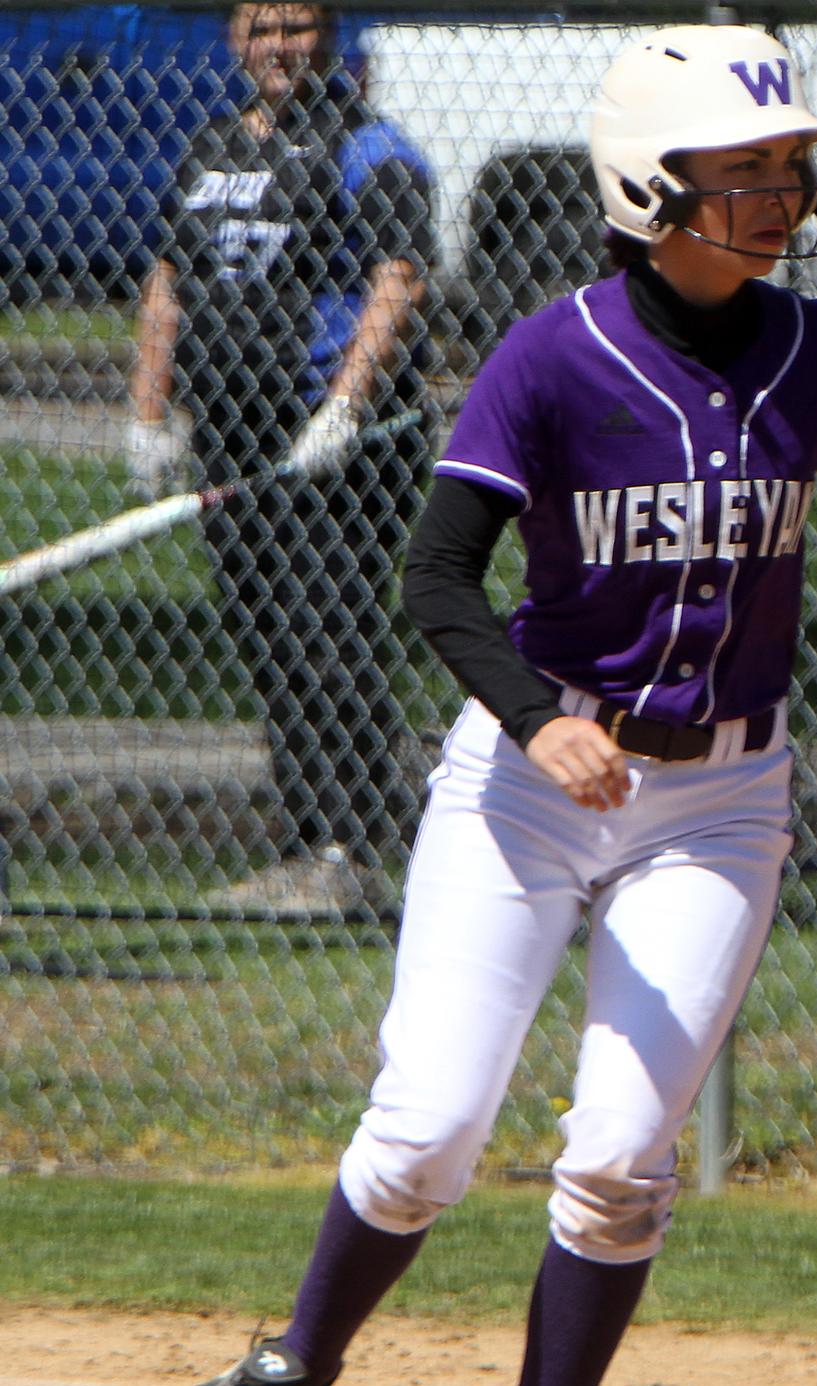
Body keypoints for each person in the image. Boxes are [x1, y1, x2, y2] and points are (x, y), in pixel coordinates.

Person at [152, 23, 817, 1386]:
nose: (782, 196)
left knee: (617, 1157)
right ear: (647, 190)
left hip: (722, 800)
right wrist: (537, 721)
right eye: (740, 173)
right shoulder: (553, 354)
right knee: (427, 1137)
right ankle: (297, 1359)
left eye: (785, 169)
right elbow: (435, 579)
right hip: (524, 790)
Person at [128, 2, 435, 911]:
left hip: (330, 443)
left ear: (329, 35)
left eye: (298, 24)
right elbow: (168, 281)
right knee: (269, 636)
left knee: (326, 631)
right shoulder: (213, 147)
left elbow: (399, 276)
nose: (281, 45)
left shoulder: (371, 147)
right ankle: (312, 841)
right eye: (263, 26)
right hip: (234, 437)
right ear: (234, 38)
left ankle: (354, 851)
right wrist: (149, 412)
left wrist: (344, 406)